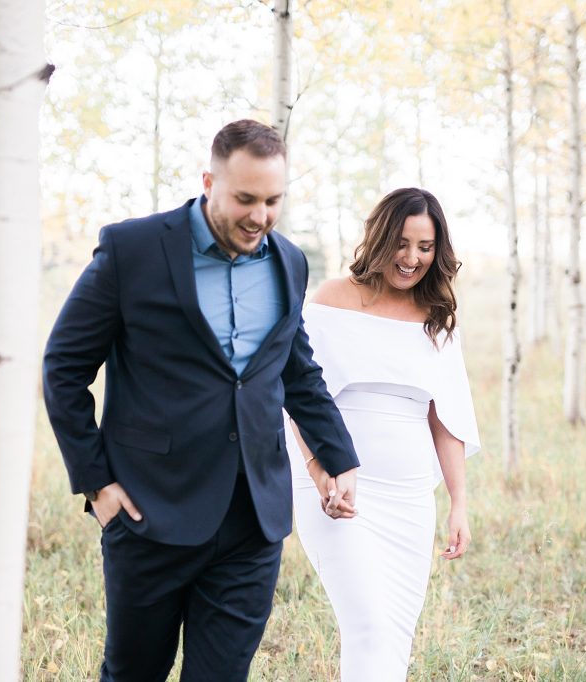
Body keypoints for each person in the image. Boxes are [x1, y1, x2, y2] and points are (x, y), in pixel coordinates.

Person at [42, 119, 360, 682]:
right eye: (245, 198)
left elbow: (295, 369)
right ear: (208, 181)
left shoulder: (290, 262)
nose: (260, 216)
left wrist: (339, 456)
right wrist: (96, 482)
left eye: (273, 201)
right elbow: (64, 366)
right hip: (149, 513)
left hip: (252, 521)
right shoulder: (131, 248)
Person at [286, 187, 481, 681]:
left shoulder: (436, 317)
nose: (412, 258)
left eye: (426, 246)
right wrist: (321, 469)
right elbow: (302, 396)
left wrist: (458, 502)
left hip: (410, 497)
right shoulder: (331, 301)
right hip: (336, 485)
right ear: (380, 237)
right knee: (369, 625)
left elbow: (446, 417)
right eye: (403, 242)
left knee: (394, 634)